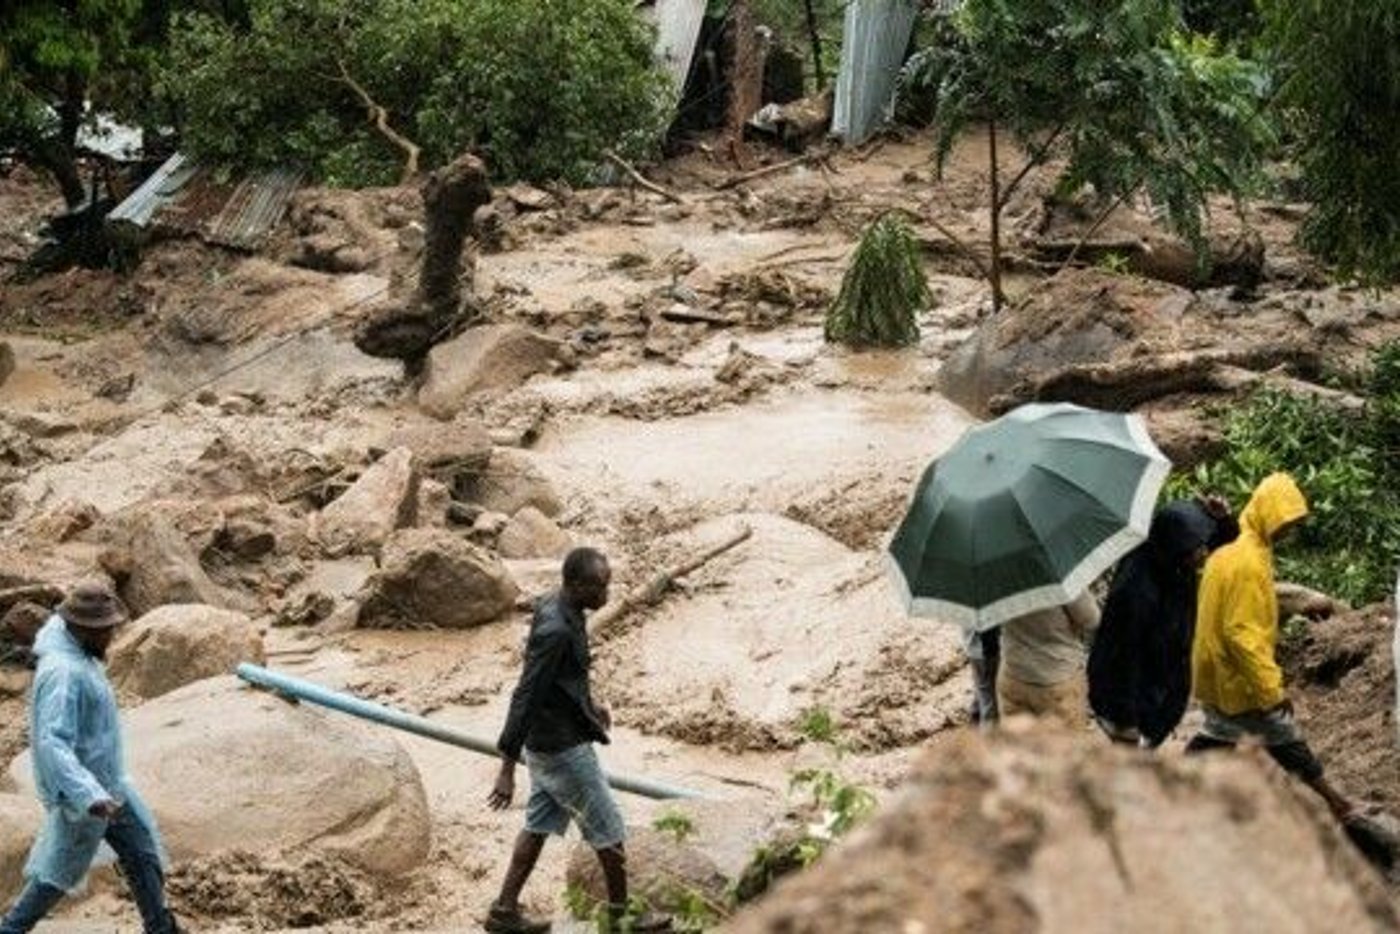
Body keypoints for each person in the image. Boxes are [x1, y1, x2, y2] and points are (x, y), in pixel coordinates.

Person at [485, 548, 669, 934]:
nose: (608, 594)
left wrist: (590, 705)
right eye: (601, 587)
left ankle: (503, 912)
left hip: (549, 740)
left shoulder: (563, 607)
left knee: (537, 826)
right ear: (577, 585)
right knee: (610, 828)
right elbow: (527, 693)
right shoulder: (555, 629)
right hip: (562, 749)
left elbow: (563, 678)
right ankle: (624, 918)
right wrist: (506, 767)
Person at [1, 581, 179, 934]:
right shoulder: (64, 673)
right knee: (55, 876)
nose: (110, 636)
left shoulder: (77, 653)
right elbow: (53, 741)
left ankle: (161, 928)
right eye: (104, 631)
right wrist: (88, 795)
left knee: (142, 853)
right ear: (83, 630)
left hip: (109, 785)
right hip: (83, 795)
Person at [1186, 473, 1355, 819]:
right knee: (1282, 732)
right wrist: (1271, 689)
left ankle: (1173, 787)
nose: (1287, 531)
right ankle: (1339, 804)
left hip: (1215, 666)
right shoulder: (1248, 561)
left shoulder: (1236, 549)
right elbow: (1242, 634)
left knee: (1219, 732)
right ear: (1267, 513)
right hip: (1236, 673)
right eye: (1285, 522)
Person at [1089, 497, 1238, 748]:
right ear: (1177, 546)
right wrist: (1128, 722)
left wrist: (1222, 520)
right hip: (1129, 704)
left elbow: (1224, 546)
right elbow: (1123, 657)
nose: (1203, 553)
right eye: (1196, 548)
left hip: (1159, 689)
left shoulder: (1173, 560)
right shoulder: (1136, 590)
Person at [996, 590, 1100, 725]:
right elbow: (1092, 619)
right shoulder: (1060, 580)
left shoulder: (999, 578)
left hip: (1013, 673)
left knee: (1017, 743)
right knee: (1064, 744)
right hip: (1057, 676)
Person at [963, 628, 1000, 728]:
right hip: (987, 652)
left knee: (981, 688)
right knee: (989, 701)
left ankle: (975, 721)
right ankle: (988, 738)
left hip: (973, 649)